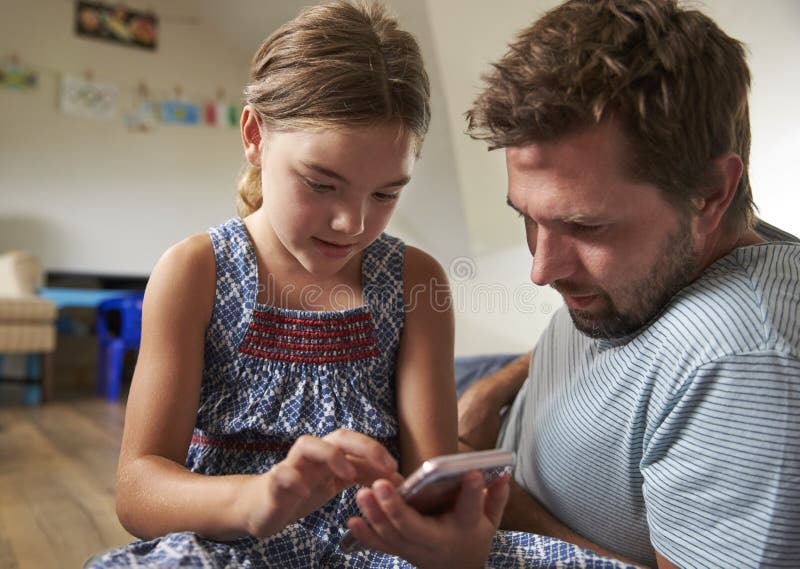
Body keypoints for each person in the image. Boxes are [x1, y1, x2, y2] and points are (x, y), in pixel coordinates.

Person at [85, 2, 506, 567]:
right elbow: (137, 491)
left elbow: (425, 482)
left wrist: (451, 538)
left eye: (385, 194)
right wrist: (254, 500)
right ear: (255, 135)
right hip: (228, 549)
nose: (352, 224)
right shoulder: (196, 271)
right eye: (321, 183)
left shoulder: (414, 281)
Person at [455, 0, 800, 568]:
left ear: (711, 192)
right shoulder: (662, 264)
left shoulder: (744, 367)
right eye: (527, 217)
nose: (541, 270)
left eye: (585, 225)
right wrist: (492, 392)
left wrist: (502, 507)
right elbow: (619, 355)